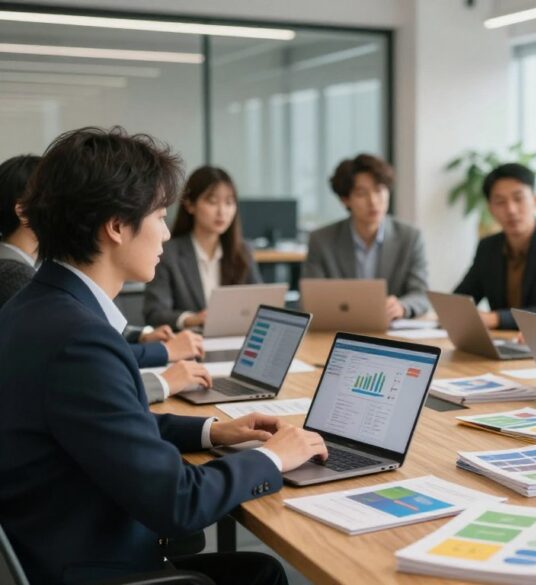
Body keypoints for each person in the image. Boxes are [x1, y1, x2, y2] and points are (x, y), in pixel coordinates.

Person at [0, 127, 328, 585]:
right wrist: (272, 458)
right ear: (116, 226)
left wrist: (215, 431)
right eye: (158, 214)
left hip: (51, 544)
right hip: (93, 566)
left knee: (259, 571)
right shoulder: (79, 339)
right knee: (261, 575)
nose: (167, 231)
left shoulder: (37, 308)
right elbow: (180, 503)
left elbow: (110, 424)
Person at [0, 154, 208, 402]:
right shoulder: (21, 280)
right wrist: (163, 362)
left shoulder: (44, 284)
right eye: (160, 217)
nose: (165, 234)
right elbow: (93, 373)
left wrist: (209, 430)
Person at [454, 163, 536, 330]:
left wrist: (496, 319)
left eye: (518, 198)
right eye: (500, 202)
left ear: (535, 201)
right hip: (501, 341)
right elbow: (463, 297)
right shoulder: (488, 246)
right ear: (490, 209)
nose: (511, 210)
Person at [302, 153, 429, 320]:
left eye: (379, 190)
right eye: (362, 193)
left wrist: (401, 306)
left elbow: (421, 295)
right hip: (339, 330)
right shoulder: (322, 240)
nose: (373, 201)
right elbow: (310, 299)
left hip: (391, 333)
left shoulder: (410, 237)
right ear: (345, 199)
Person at [144, 165, 261, 330]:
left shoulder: (242, 251)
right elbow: (154, 313)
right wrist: (192, 319)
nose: (222, 211)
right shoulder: (168, 254)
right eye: (212, 201)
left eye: (229, 202)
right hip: (189, 345)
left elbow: (260, 303)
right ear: (190, 205)